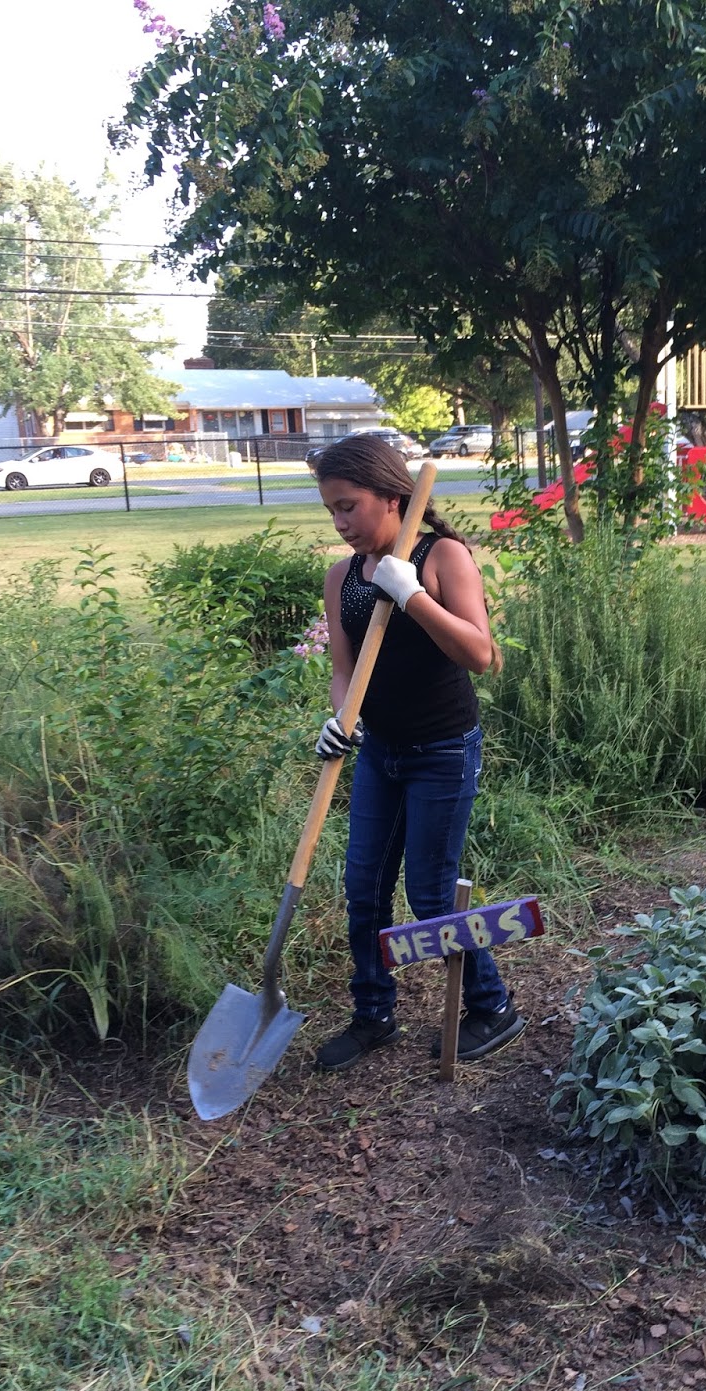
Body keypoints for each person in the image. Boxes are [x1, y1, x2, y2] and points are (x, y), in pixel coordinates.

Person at [310, 434, 526, 1070]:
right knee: (363, 889)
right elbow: (344, 669)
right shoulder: (342, 578)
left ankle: (494, 1007)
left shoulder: (442, 557)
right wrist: (338, 717)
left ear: (392, 497)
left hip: (443, 751)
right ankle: (373, 1013)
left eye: (350, 506)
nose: (342, 522)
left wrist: (412, 596)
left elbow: (481, 656)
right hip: (380, 751)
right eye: (332, 511)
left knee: (429, 895)